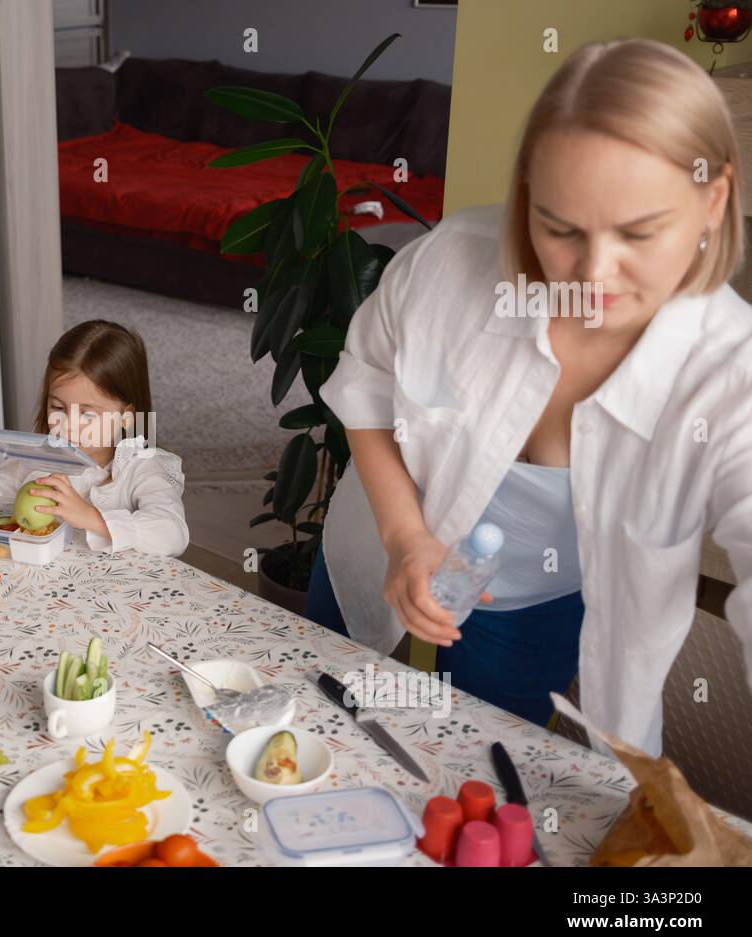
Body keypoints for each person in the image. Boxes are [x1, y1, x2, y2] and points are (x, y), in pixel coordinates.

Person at [305, 39, 752, 755]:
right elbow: (366, 393)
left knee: (480, 764)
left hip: (535, 600)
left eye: (639, 232)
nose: (596, 273)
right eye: (560, 227)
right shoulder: (449, 263)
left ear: (714, 199)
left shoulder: (734, 375)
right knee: (316, 714)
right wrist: (406, 537)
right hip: (379, 535)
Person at [0, 320, 188, 557]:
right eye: (58, 408)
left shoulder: (143, 466)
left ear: (126, 416)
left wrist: (90, 517)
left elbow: (172, 535)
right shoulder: (38, 461)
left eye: (88, 413)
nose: (68, 425)